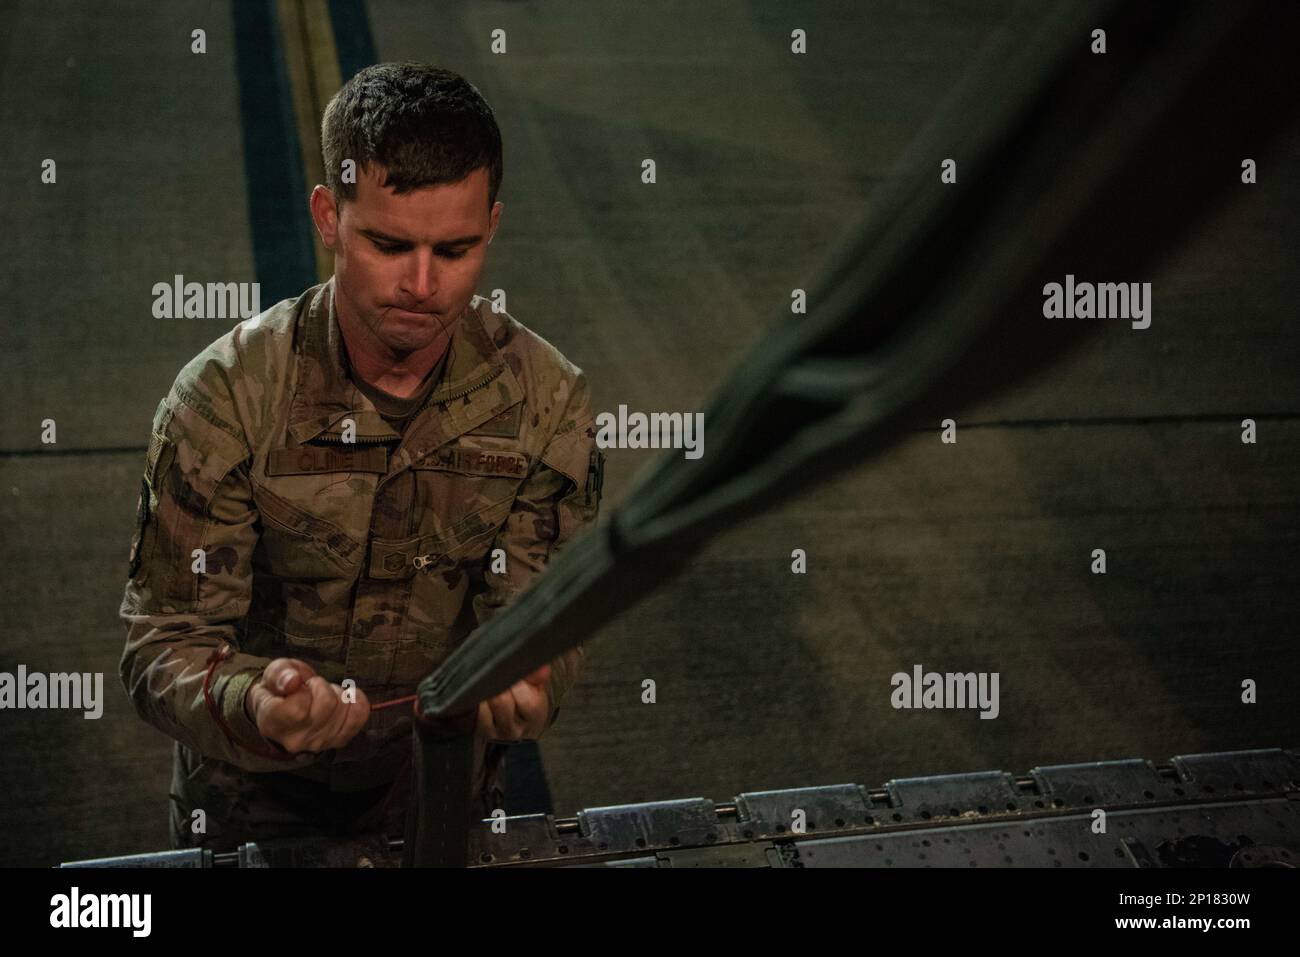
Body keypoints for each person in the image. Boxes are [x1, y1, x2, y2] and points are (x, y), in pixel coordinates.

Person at [118, 62, 604, 852]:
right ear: (327, 217)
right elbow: (161, 644)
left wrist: (532, 682)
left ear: (493, 228)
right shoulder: (227, 399)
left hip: (440, 803)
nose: (422, 284)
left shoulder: (545, 404)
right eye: (388, 243)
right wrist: (254, 701)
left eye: (455, 249)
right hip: (253, 811)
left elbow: (545, 621)